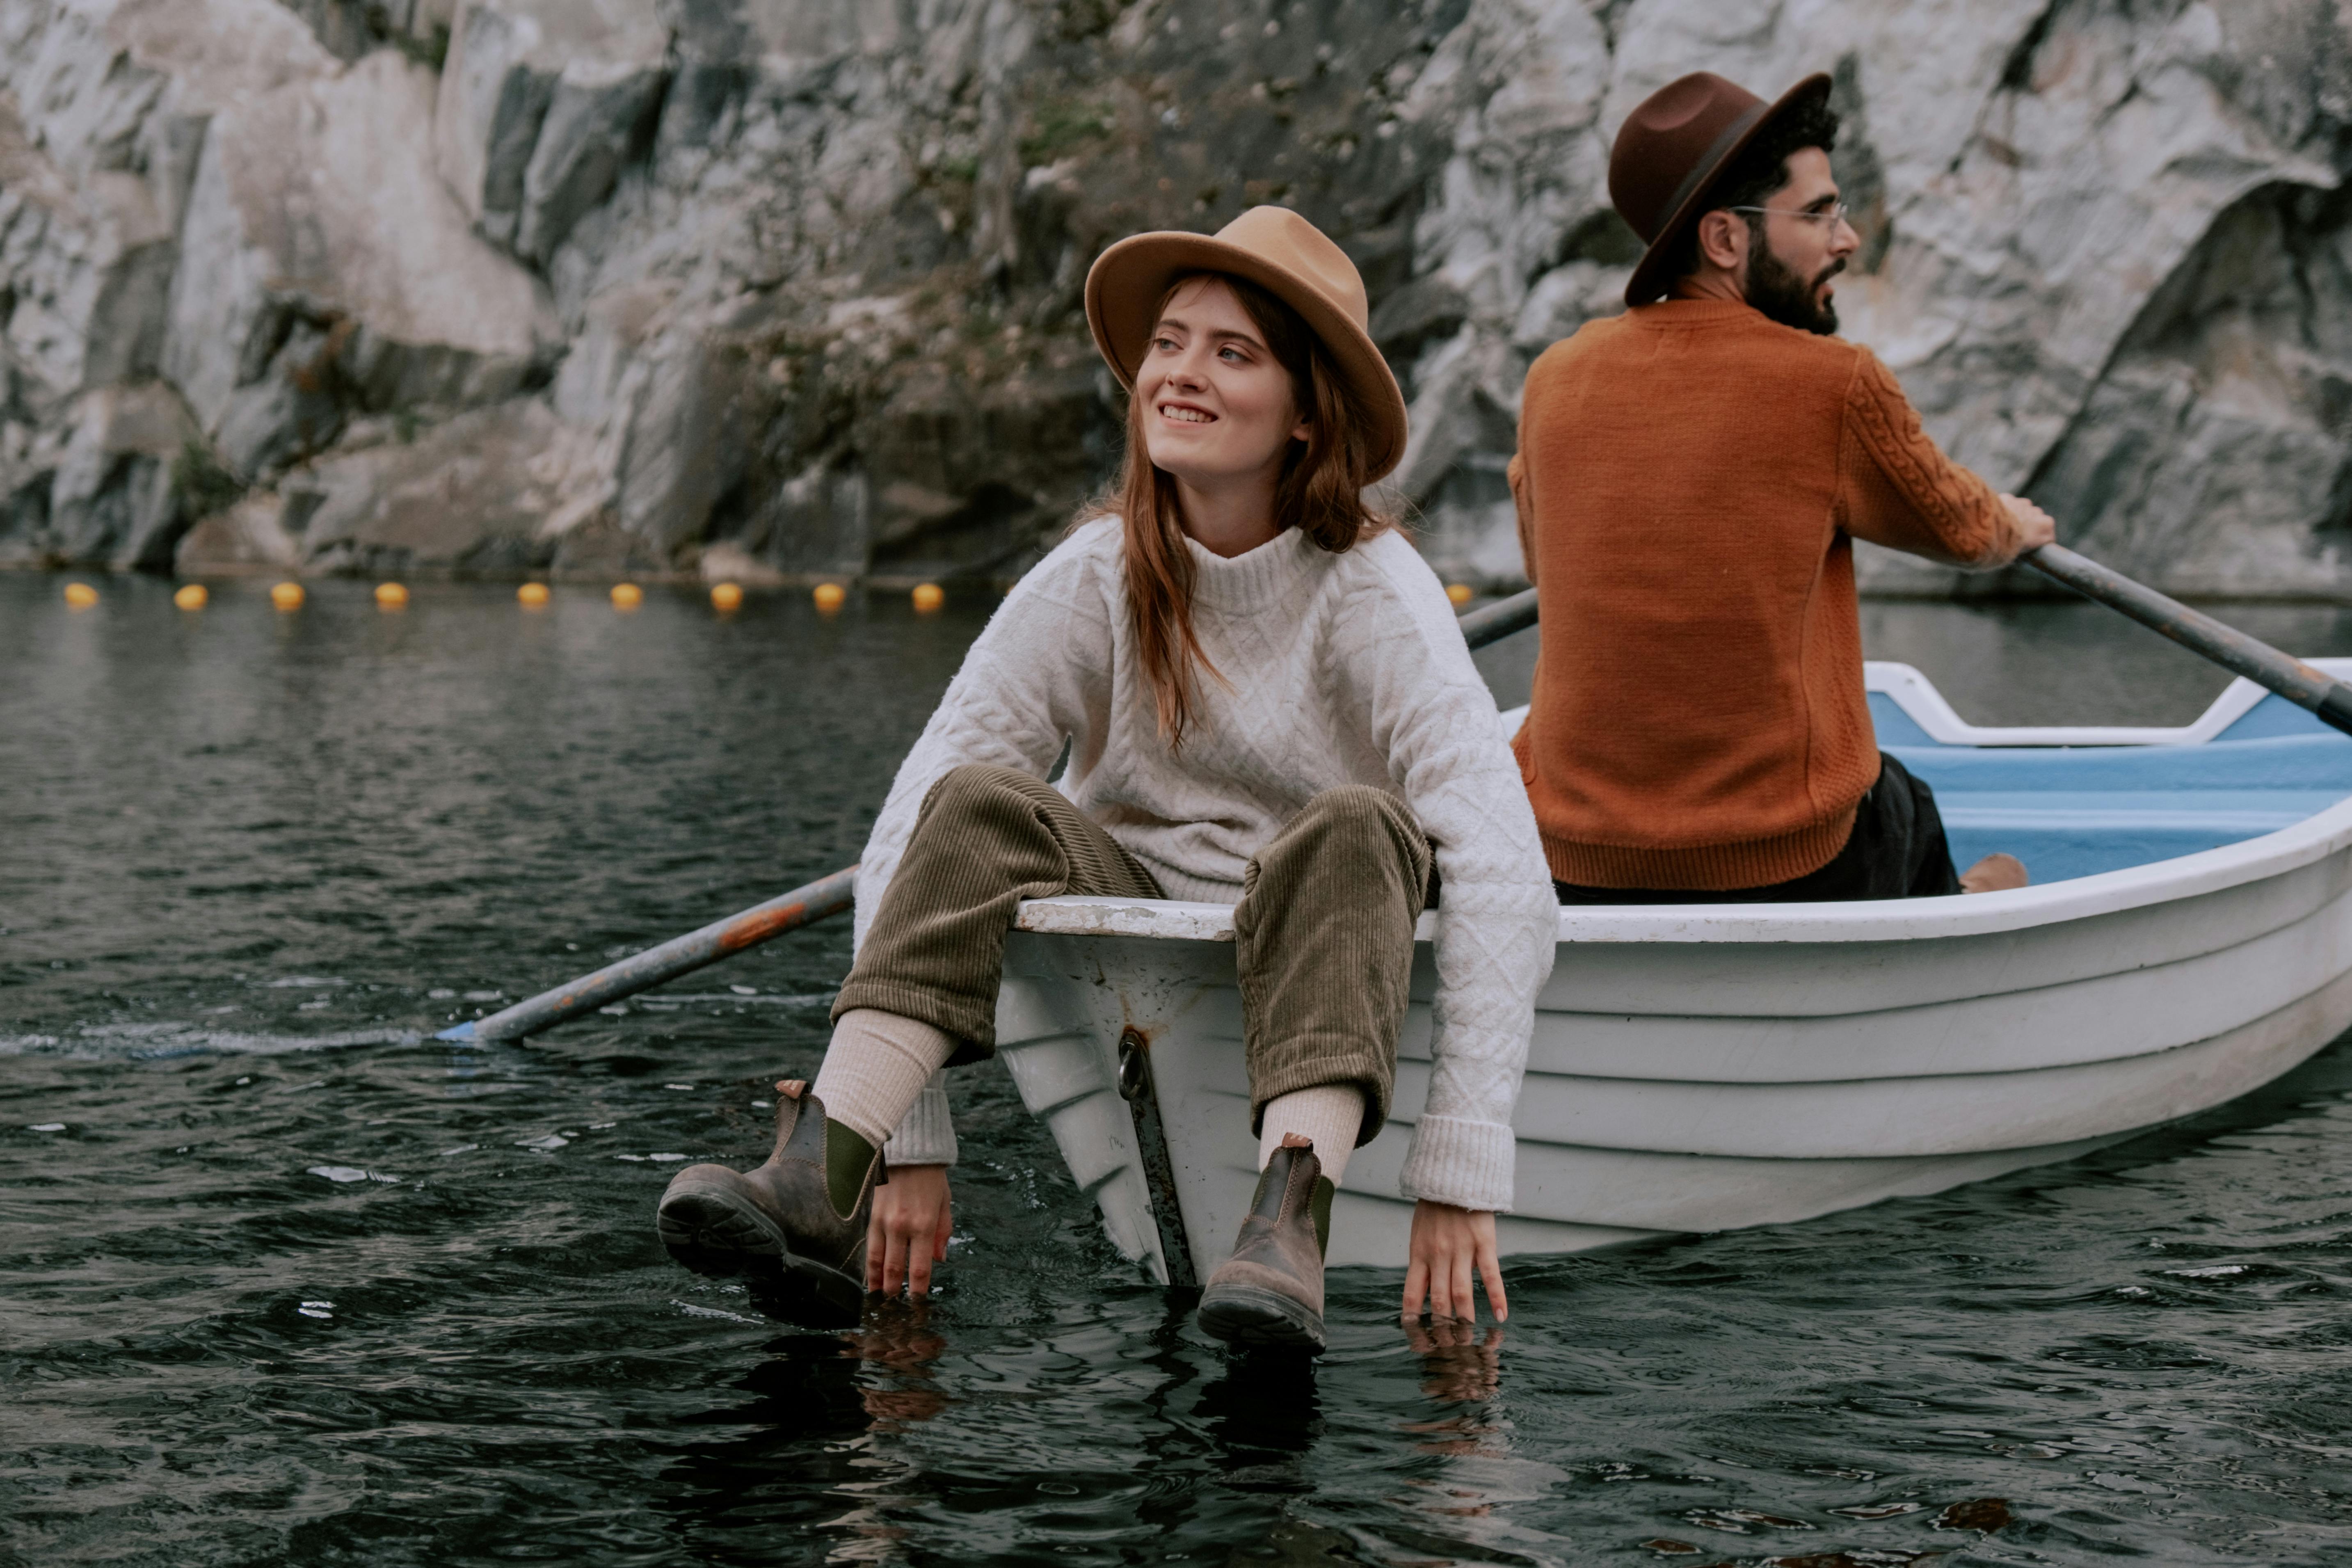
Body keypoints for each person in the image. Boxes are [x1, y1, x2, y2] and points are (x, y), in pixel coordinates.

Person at [656, 207, 1558, 1351]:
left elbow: (1499, 860)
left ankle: (1286, 1226)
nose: (1179, 373)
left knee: (1357, 821)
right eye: (1170, 341)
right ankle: (824, 1169)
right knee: (978, 801)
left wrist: (1458, 1167)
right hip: (1137, 885)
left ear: (1302, 413)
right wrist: (915, 1138)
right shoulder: (1094, 570)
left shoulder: (1375, 591)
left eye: (1232, 354)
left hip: (1324, 914)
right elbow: (914, 815)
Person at [1509, 71, 2058, 906]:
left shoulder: (1553, 379)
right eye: (1816, 214)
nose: (1845, 240)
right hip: (1782, 858)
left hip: (1572, 857)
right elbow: (1962, 530)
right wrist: (2012, 524)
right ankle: (1961, 903)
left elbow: (1546, 565)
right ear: (1724, 240)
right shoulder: (1832, 384)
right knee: (1899, 794)